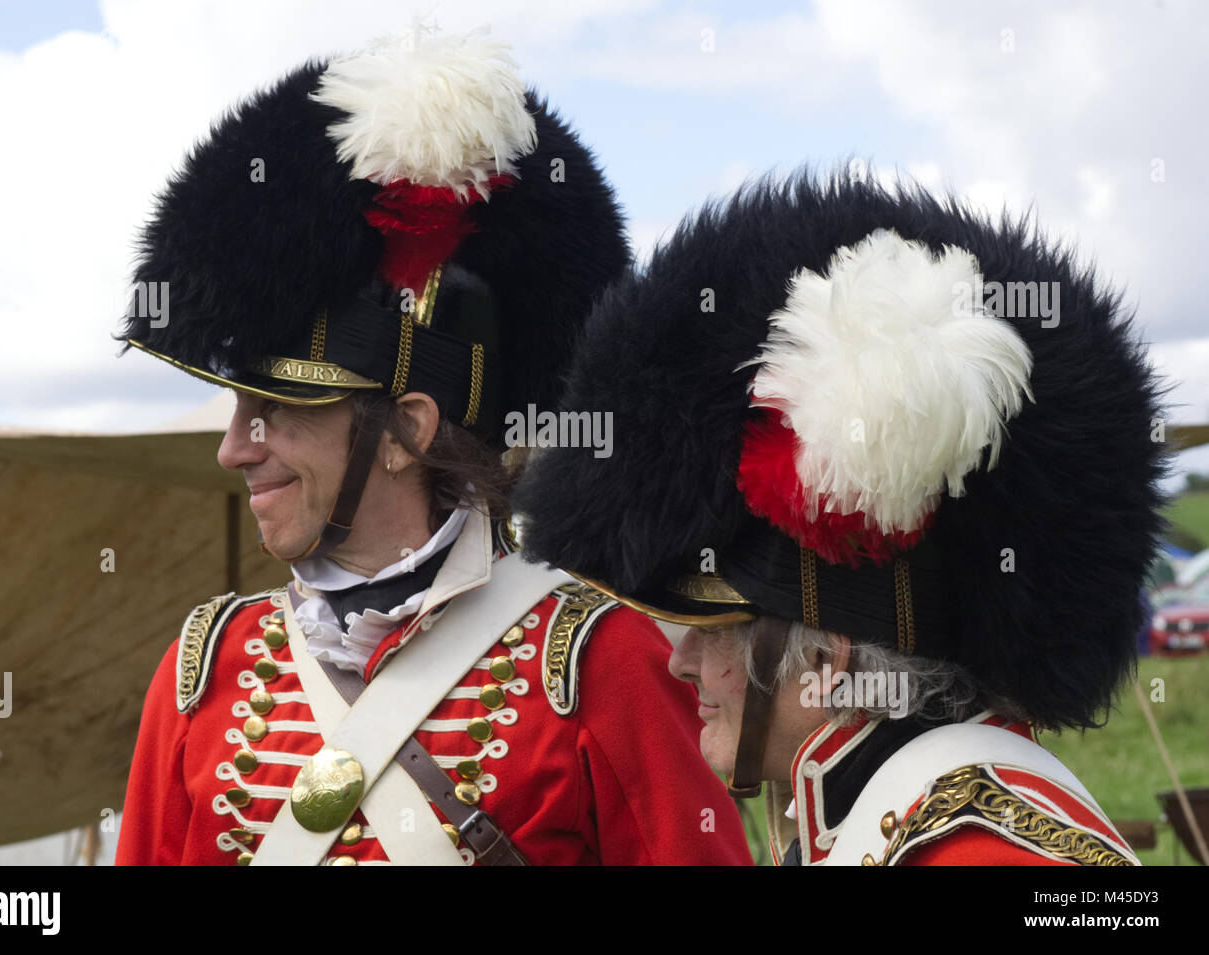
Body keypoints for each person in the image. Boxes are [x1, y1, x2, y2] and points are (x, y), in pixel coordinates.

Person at [113, 25, 752, 866]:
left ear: (405, 430)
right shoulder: (201, 672)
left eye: (278, 410)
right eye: (238, 410)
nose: (235, 448)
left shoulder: (605, 663)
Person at [514, 170, 1163, 866]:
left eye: (713, 630)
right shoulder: (882, 823)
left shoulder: (981, 852)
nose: (681, 660)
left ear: (828, 657)